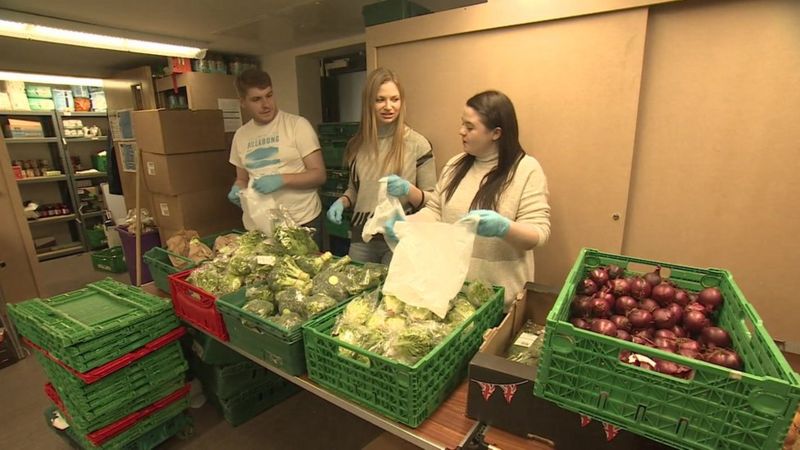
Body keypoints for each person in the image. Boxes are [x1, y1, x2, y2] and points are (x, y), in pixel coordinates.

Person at [388, 90, 550, 305]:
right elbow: (435, 211)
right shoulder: (455, 165)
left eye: (470, 127)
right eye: (462, 124)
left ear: (496, 133)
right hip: (453, 292)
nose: (461, 131)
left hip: (499, 299)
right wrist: (405, 224)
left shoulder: (526, 170)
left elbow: (538, 234)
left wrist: (504, 228)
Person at [326, 67, 436, 264]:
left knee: (391, 294)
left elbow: (433, 201)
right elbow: (355, 189)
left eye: (394, 99)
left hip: (399, 237)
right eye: (380, 99)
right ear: (369, 103)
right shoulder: (357, 145)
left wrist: (408, 190)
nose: (388, 106)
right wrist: (342, 201)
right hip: (362, 238)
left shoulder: (417, 144)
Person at [227, 68, 326, 246]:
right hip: (262, 226)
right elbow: (242, 178)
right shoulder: (240, 136)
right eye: (256, 99)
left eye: (269, 95)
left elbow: (319, 175)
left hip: (302, 222)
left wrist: (282, 179)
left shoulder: (297, 126)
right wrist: (237, 190)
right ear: (243, 102)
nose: (266, 104)